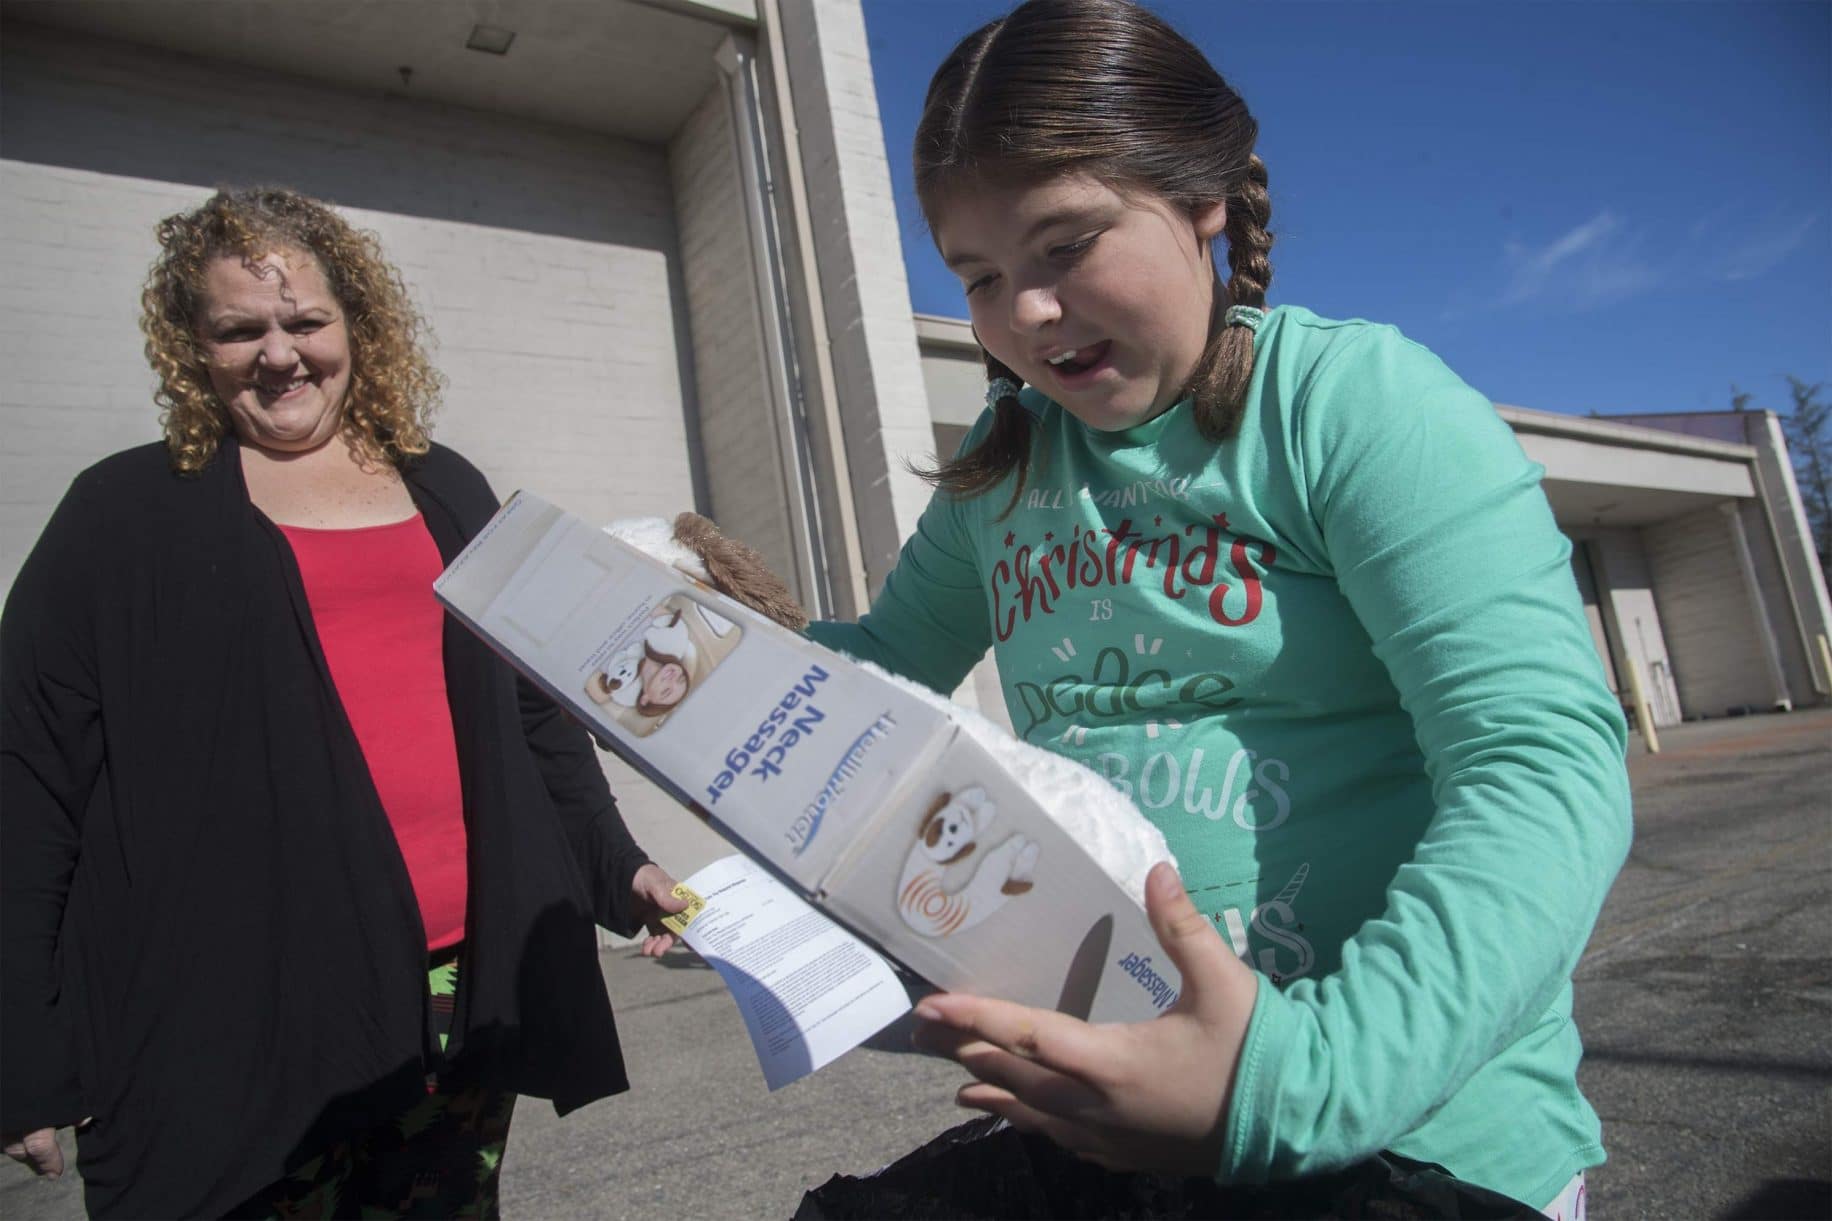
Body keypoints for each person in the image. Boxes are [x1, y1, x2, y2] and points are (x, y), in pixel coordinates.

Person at [802, 1, 1629, 1216]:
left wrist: (1308, 1079)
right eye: (977, 275)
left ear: (1202, 204)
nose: (1021, 311)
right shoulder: (1006, 463)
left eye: (1064, 245)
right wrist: (688, 696)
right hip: (1121, 1115)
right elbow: (876, 671)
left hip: (1412, 1133)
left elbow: (1538, 761)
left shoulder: (1347, 406)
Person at [0, 187, 687, 1219]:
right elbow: (26, 783)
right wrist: (21, 1049)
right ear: (194, 346)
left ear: (354, 326)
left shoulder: (444, 486)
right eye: (240, 330)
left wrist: (617, 864)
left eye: (305, 321)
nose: (279, 355)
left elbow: (533, 717)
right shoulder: (121, 518)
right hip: (224, 1030)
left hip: (451, 1004)